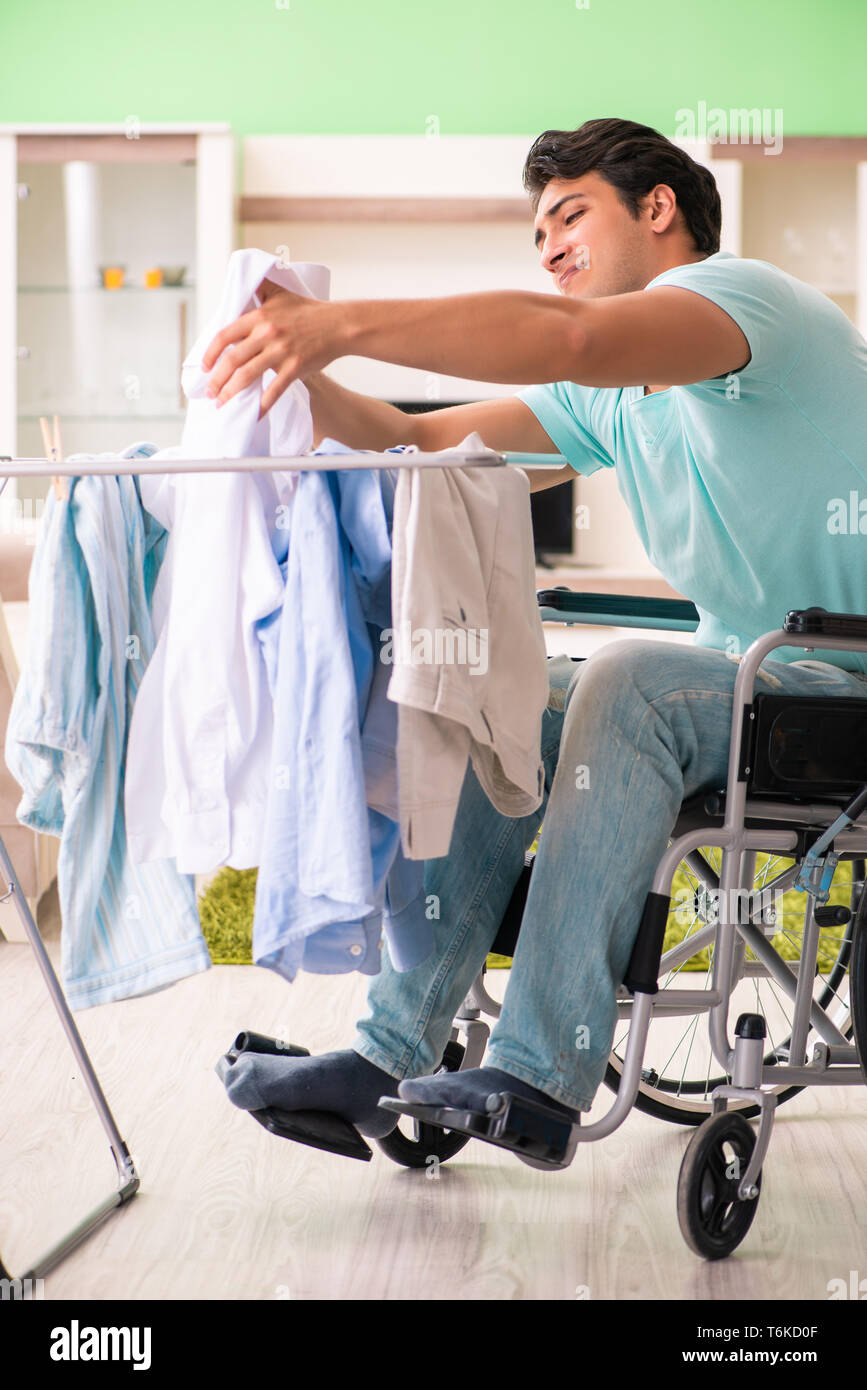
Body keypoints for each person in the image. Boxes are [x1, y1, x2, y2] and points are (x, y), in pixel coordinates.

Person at [211, 117, 867, 1148]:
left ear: (658, 211)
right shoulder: (618, 399)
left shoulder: (749, 300)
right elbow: (428, 443)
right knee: (506, 690)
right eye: (538, 235)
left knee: (622, 678)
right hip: (738, 686)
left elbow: (571, 336)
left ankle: (538, 1073)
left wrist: (335, 322)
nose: (552, 246)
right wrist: (291, 377)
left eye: (570, 216)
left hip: (835, 683)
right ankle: (393, 1051)